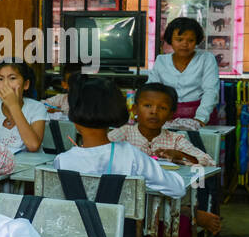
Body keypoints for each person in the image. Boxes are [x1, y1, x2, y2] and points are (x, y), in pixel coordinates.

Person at [109, 82, 221, 236]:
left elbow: (208, 162)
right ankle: (189, 213)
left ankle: (186, 212)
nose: (154, 111)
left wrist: (181, 155)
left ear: (170, 115)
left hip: (166, 198)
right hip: (130, 200)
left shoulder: (175, 139)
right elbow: (102, 151)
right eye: (147, 105)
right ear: (135, 109)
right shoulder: (122, 134)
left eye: (162, 108)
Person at [54, 77, 186, 200]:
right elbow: (178, 189)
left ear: (74, 119)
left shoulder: (62, 161)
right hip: (121, 225)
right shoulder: (131, 156)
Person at [149, 16, 220, 126]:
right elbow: (151, 90)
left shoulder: (207, 59)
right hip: (167, 117)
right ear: (170, 40)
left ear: (197, 41)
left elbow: (211, 91)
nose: (185, 44)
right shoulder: (161, 60)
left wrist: (200, 119)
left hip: (202, 117)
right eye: (179, 39)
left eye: (190, 40)